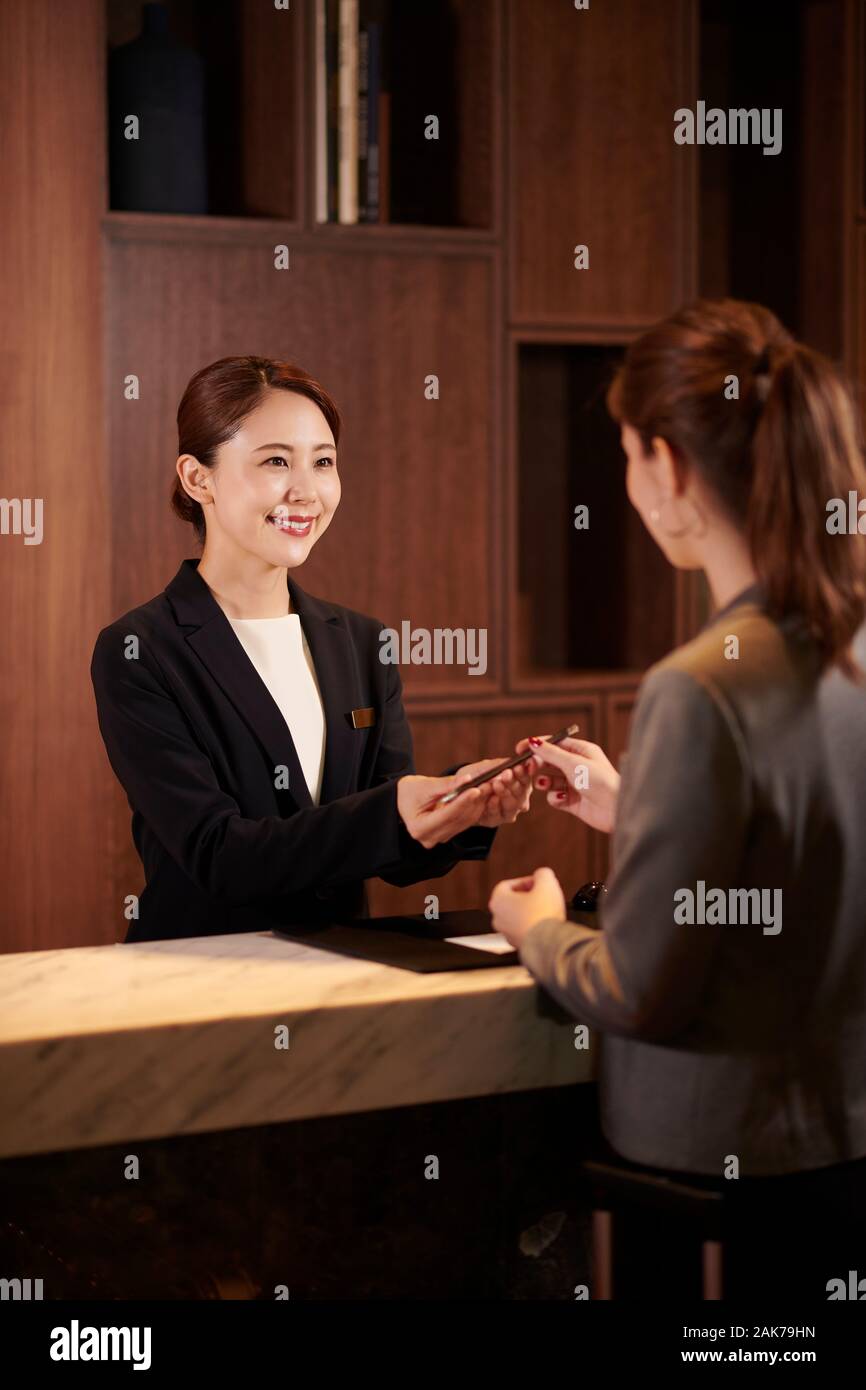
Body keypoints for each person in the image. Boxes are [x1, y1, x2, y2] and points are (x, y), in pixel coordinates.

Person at [489, 298, 866, 1299]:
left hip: (716, 1181)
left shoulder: (698, 685)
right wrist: (637, 805)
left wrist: (532, 928)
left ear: (667, 468)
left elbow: (639, 987)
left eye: (623, 453)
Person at [91, 355, 532, 943]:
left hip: (343, 974)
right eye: (276, 461)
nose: (306, 491)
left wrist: (456, 809)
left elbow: (391, 854)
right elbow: (219, 855)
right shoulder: (139, 650)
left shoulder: (362, 642)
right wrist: (394, 810)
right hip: (198, 984)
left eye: (323, 463)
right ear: (199, 479)